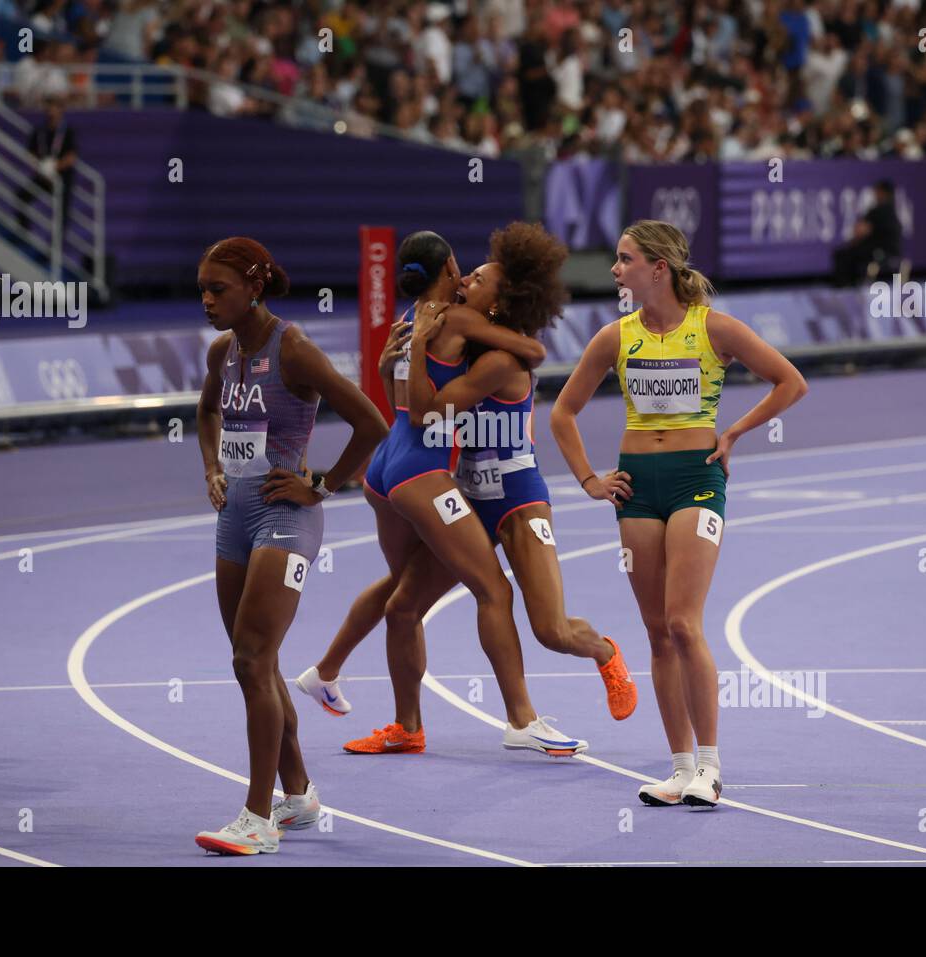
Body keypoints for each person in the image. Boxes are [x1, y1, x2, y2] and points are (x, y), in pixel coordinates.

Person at [295, 229, 588, 757]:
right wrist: (515, 340)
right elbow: (533, 349)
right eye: (468, 271)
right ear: (449, 265)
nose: (470, 276)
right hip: (420, 472)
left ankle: (352, 688)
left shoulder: (410, 320)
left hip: (387, 465)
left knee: (404, 595)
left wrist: (397, 363)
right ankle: (521, 720)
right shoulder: (451, 317)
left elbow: (401, 401)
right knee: (494, 592)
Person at [550, 219, 808, 809]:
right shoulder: (615, 337)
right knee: (657, 633)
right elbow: (562, 414)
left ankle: (711, 768)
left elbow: (789, 382)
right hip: (637, 488)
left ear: (657, 269)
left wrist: (736, 431)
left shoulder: (712, 327)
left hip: (696, 481)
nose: (615, 270)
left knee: (684, 622)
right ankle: (680, 768)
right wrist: (589, 479)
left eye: (624, 259)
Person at [191, 237, 388, 855]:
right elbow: (206, 415)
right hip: (235, 520)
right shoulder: (223, 352)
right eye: (202, 288)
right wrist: (212, 470)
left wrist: (322, 486)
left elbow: (372, 424)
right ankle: (297, 794)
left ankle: (257, 818)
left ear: (253, 287)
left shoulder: (293, 348)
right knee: (258, 664)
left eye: (218, 289)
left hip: (285, 520)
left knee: (251, 662)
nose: (207, 300)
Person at [15, 95, 78, 240]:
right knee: (22, 196)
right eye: (48, 107)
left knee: (62, 212)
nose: (50, 111)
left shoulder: (68, 131)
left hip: (61, 178)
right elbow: (30, 153)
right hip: (43, 175)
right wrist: (40, 167)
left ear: (60, 110)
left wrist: (54, 167)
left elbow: (71, 157)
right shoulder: (39, 131)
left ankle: (55, 247)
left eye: (54, 107)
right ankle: (23, 232)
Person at [831, 178, 901, 285]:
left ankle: (845, 289)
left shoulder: (878, 211)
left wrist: (853, 242)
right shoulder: (893, 211)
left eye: (877, 191)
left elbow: (860, 231)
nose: (875, 194)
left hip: (878, 252)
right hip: (890, 251)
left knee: (843, 255)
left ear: (882, 192)